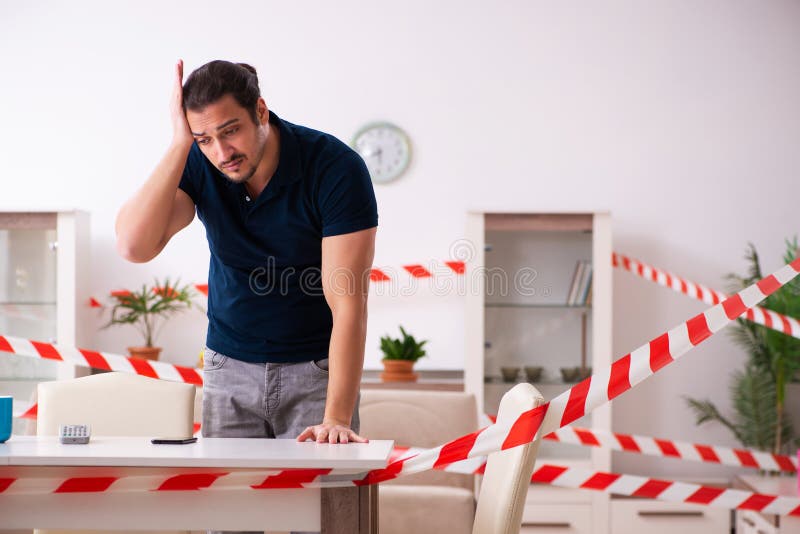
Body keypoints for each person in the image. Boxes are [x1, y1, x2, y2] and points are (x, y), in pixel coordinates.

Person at [115, 59, 378, 449]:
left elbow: (347, 304)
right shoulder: (198, 162)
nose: (222, 152)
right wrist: (179, 143)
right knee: (232, 506)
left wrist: (336, 417)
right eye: (204, 138)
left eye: (230, 130)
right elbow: (134, 246)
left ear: (260, 110)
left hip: (315, 372)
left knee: (322, 507)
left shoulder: (335, 168)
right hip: (228, 370)